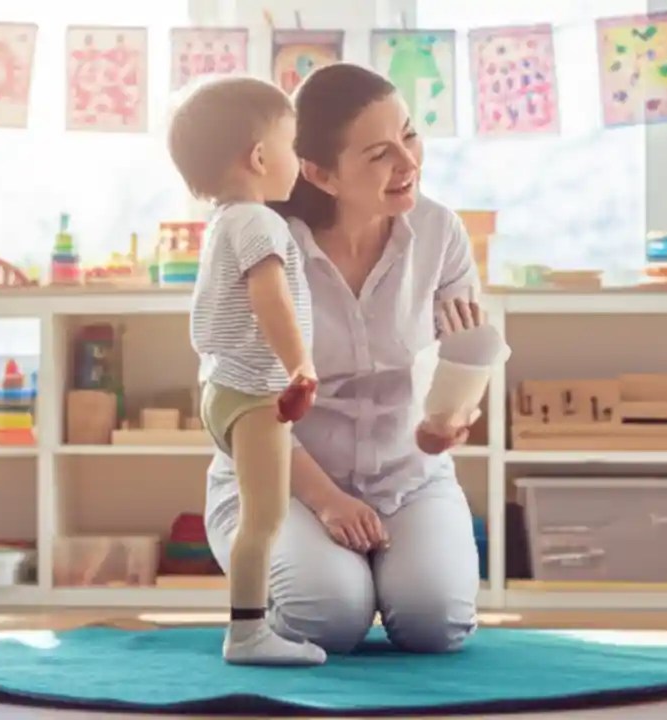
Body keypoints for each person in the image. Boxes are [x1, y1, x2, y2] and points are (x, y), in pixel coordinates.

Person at [204, 63, 486, 655]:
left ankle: (393, 576)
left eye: (409, 135)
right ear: (320, 173)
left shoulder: (439, 233)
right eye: (380, 154)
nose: (409, 163)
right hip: (283, 478)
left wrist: (449, 420)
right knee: (327, 618)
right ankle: (308, 594)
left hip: (406, 478)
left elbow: (464, 358)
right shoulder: (263, 244)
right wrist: (328, 500)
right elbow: (239, 396)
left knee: (436, 624)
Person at [168, 77, 326, 666]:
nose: (298, 160)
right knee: (265, 517)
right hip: (256, 391)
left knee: (261, 514)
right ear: (259, 157)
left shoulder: (225, 221)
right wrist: (300, 364)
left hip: (224, 388)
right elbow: (270, 297)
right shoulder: (261, 223)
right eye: (292, 145)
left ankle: (251, 626)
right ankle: (248, 632)